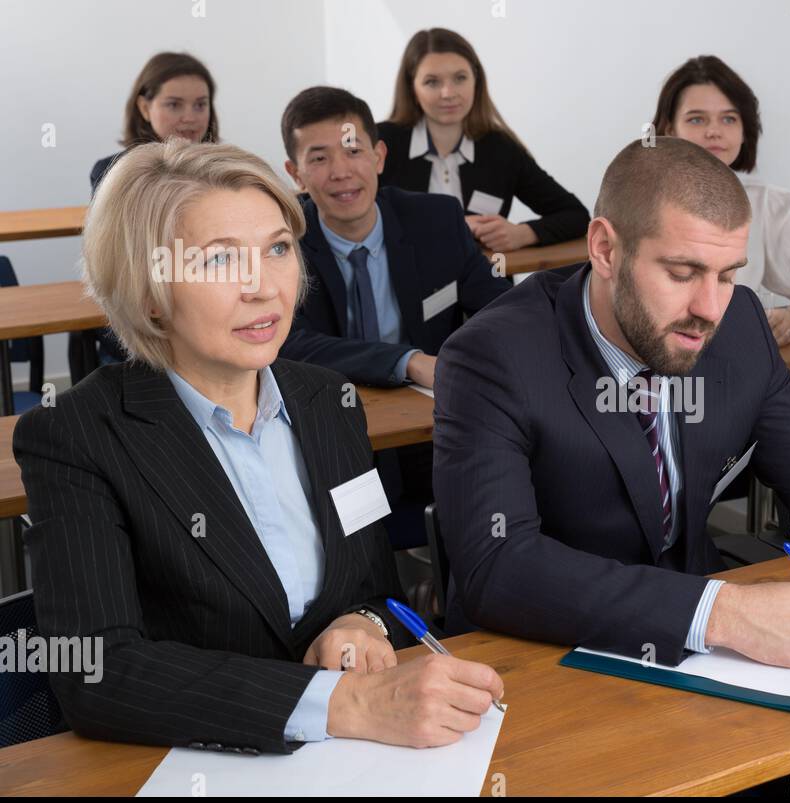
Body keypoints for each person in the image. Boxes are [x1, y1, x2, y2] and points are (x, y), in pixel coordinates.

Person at [432, 136, 790, 795]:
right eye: (682, 272)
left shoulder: (738, 324)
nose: (710, 307)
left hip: (707, 670)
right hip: (549, 667)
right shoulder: (491, 357)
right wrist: (725, 613)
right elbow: (499, 568)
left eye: (728, 275)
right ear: (606, 249)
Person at [15, 139, 503, 752]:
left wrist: (362, 623)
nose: (264, 287)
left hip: (353, 764)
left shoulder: (332, 402)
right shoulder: (78, 434)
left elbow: (376, 586)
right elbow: (100, 670)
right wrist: (337, 703)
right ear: (148, 292)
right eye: (220, 261)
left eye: (277, 249)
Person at [278, 86, 511, 548]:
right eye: (319, 159)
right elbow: (289, 341)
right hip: (333, 435)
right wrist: (407, 360)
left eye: (353, 150)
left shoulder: (436, 220)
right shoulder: (285, 242)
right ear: (296, 173)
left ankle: (451, 590)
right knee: (361, 538)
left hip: (432, 427)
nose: (342, 172)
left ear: (379, 156)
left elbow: (499, 309)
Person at [652, 55, 790, 348]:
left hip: (735, 366)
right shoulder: (636, 198)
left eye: (729, 118)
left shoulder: (765, 205)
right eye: (697, 119)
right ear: (670, 129)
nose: (714, 131)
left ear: (744, 130)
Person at [377, 27, 589, 252]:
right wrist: (455, 225)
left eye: (460, 78)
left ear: (476, 81)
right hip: (406, 286)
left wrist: (523, 233)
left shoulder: (501, 148)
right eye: (432, 82)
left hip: (485, 284)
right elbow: (355, 221)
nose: (448, 93)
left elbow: (576, 215)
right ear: (412, 88)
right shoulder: (381, 144)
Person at [76, 51, 222, 377]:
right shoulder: (112, 173)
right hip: (146, 322)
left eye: (201, 104)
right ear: (144, 107)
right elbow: (128, 266)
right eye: (174, 104)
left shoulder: (223, 170)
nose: (190, 117)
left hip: (213, 312)